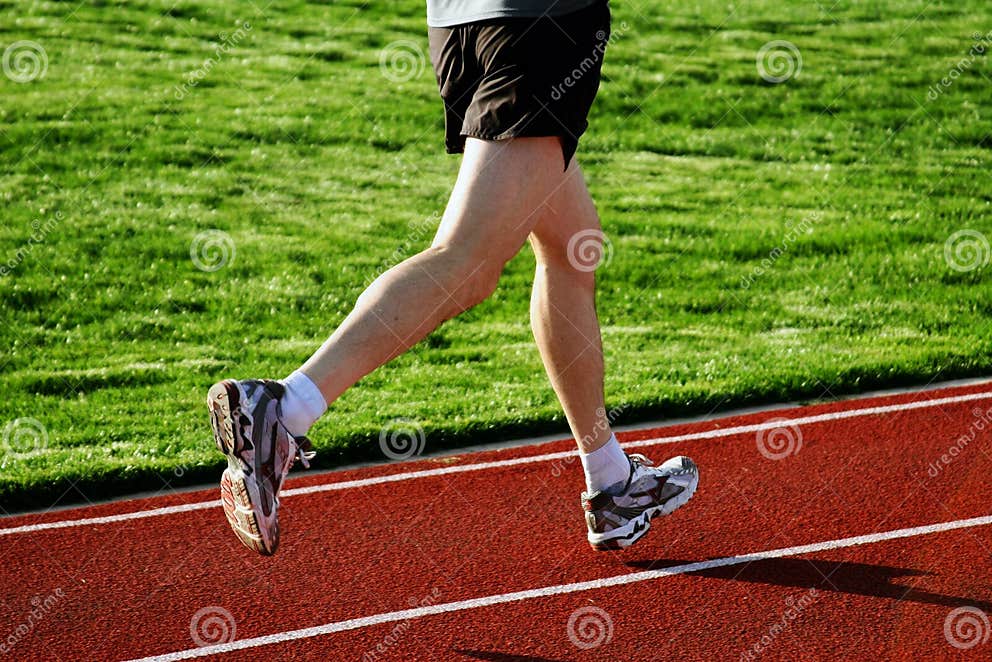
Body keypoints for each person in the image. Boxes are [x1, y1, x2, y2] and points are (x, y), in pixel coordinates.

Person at [207, 0, 698, 556]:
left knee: (571, 246)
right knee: (467, 262)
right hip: (541, 27)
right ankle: (285, 406)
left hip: (460, 24)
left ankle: (610, 479)